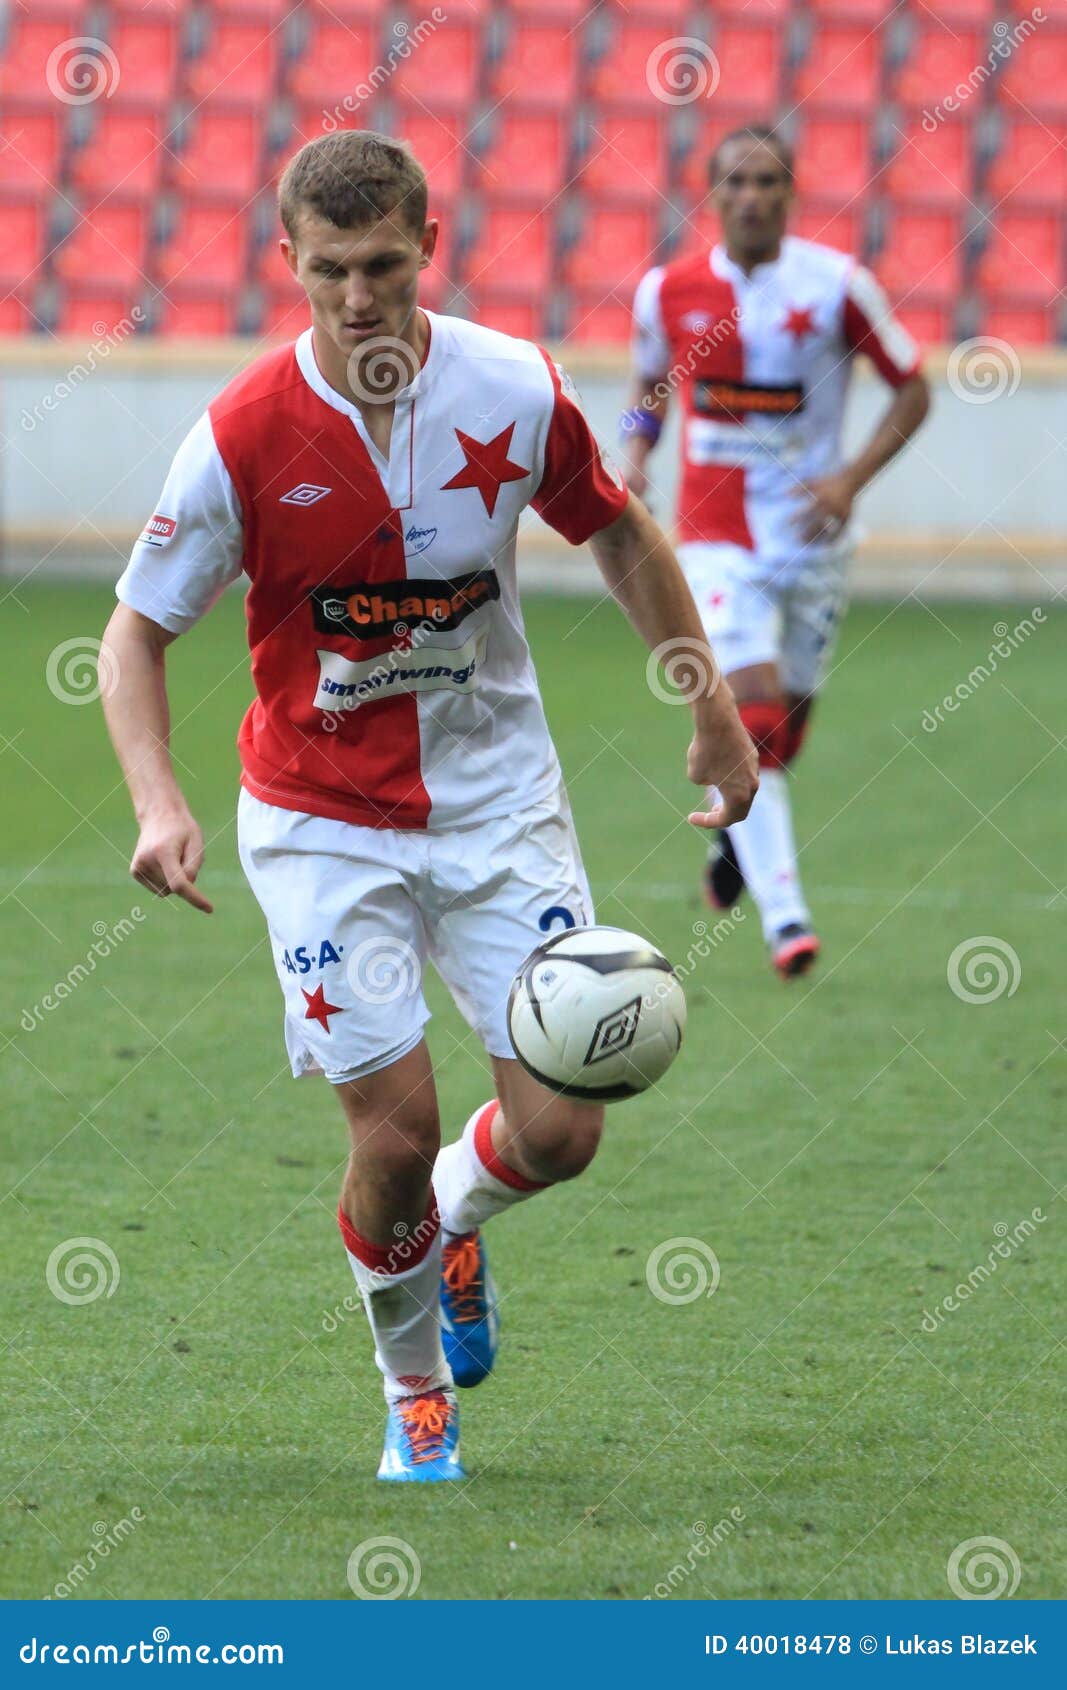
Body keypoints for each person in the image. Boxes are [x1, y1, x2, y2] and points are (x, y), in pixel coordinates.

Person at [100, 132, 757, 1482]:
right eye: (330, 269)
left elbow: (618, 531)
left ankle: (456, 1221)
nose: (359, 297)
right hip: (320, 820)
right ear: (289, 261)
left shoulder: (509, 388)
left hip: (495, 803)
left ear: (428, 249)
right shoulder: (238, 436)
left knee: (563, 1128)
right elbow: (133, 634)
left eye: (384, 266)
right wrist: (157, 801)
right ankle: (413, 1387)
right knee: (390, 1136)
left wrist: (708, 705)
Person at [622, 124, 930, 979]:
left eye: (766, 181)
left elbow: (913, 389)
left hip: (809, 540)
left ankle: (732, 850)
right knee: (751, 726)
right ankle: (786, 922)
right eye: (735, 181)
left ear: (790, 193)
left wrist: (849, 481)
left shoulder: (836, 287)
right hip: (715, 540)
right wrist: (635, 449)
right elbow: (648, 384)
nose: (750, 196)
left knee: (780, 741)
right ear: (711, 193)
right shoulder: (667, 291)